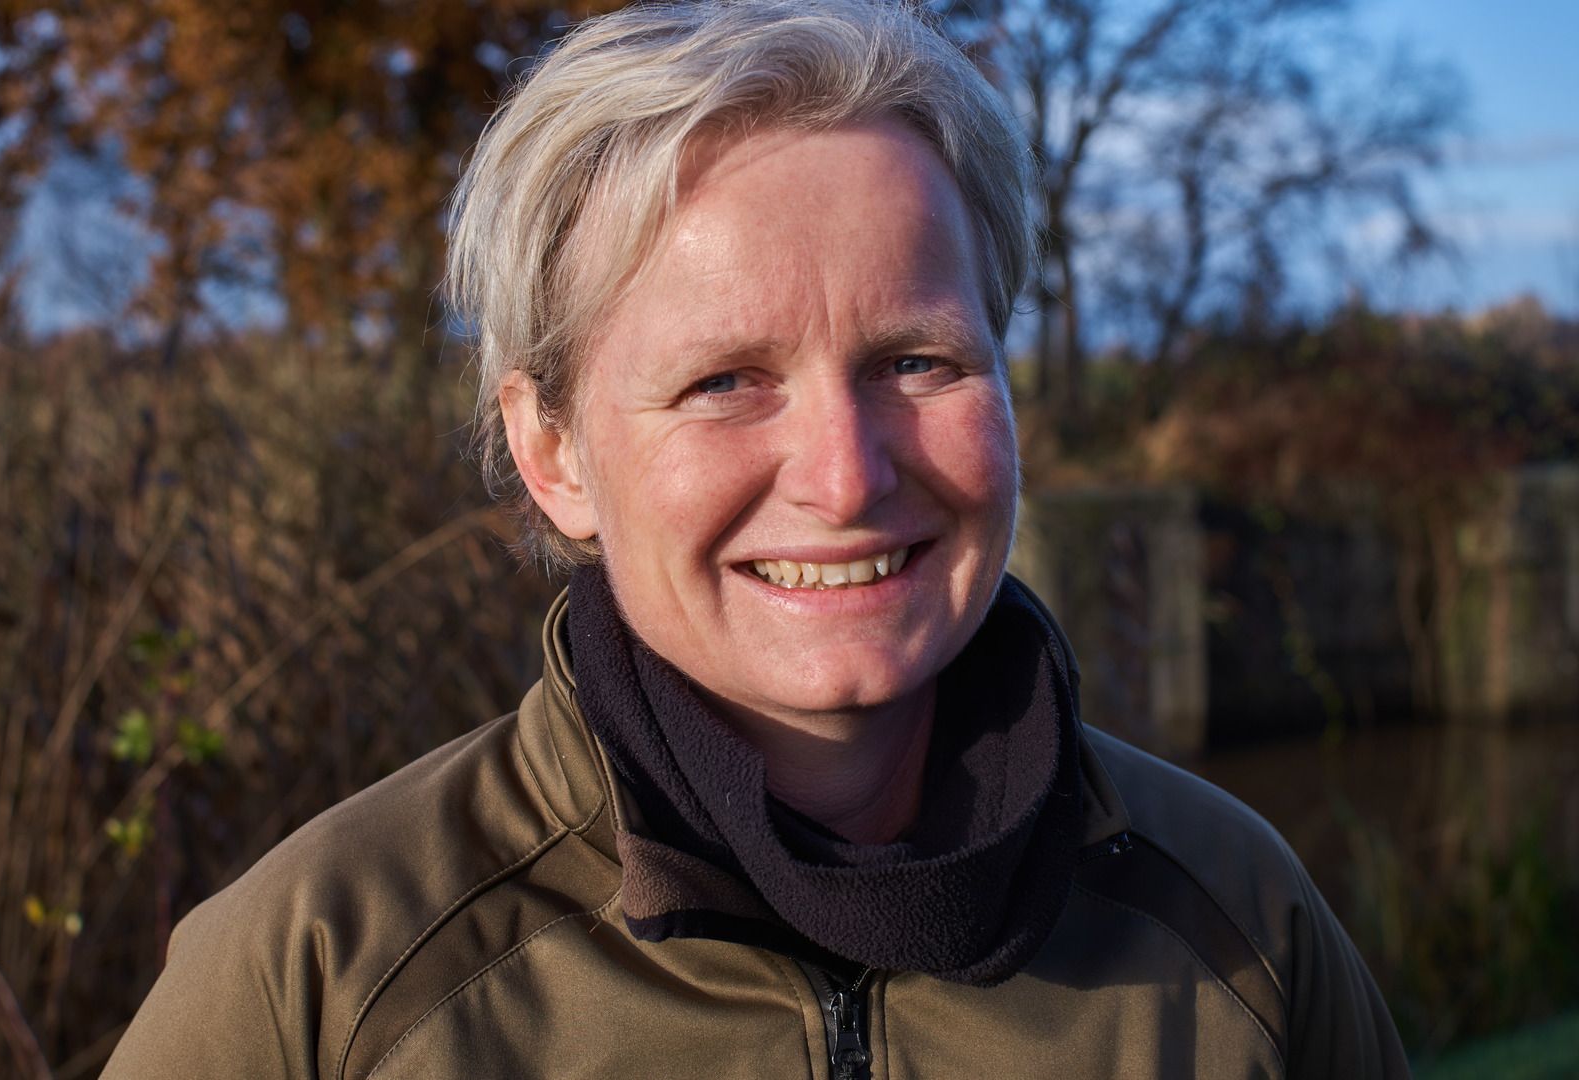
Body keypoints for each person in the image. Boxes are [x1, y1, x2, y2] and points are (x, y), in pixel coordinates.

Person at [104, 2, 1407, 1076]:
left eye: (917, 358)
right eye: (725, 380)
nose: (844, 477)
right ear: (553, 450)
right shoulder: (326, 982)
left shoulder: (1234, 926)